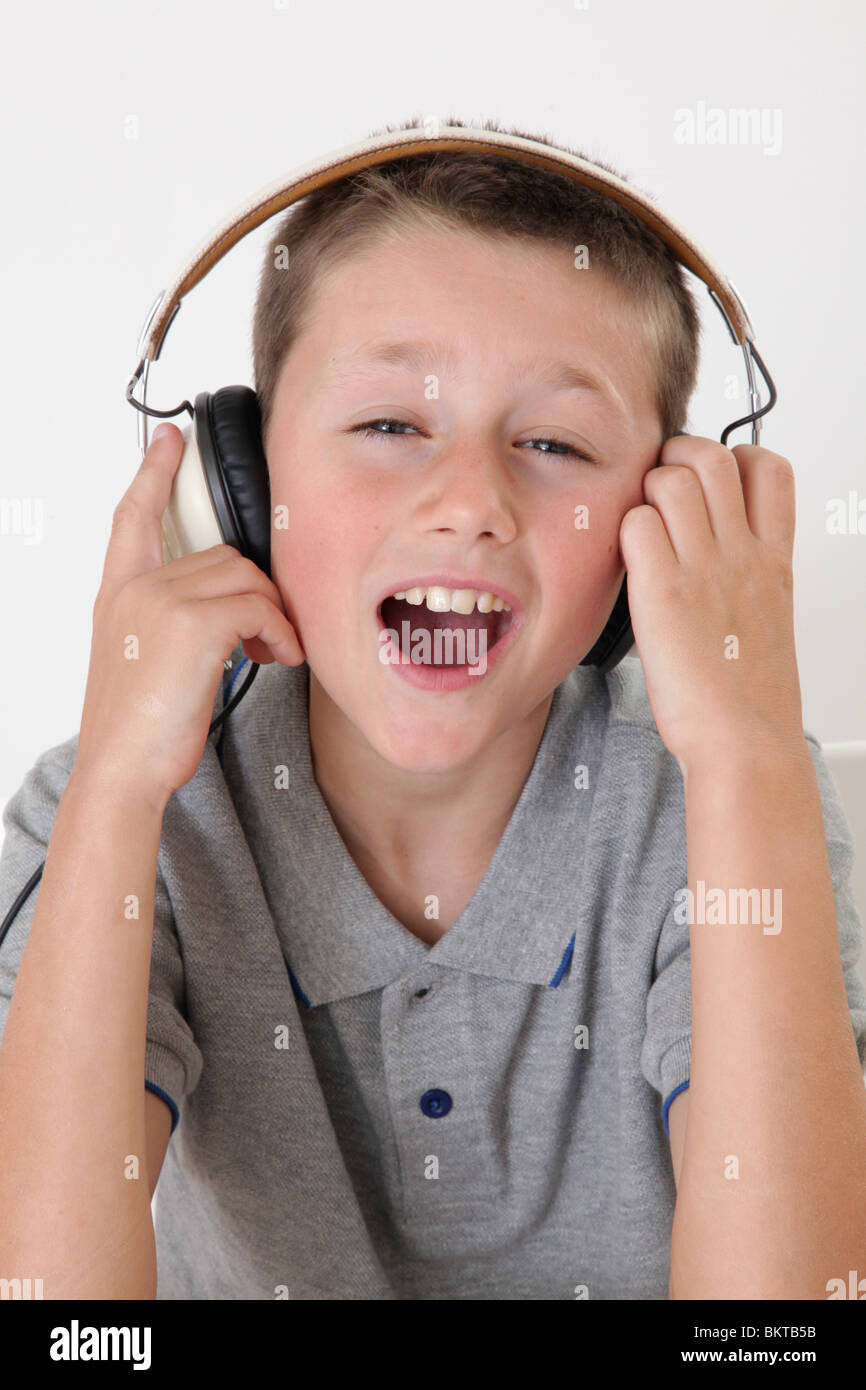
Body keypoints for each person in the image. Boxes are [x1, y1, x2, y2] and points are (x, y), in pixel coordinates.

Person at [1, 115, 865, 1300]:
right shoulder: (118, 810)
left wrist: (750, 752)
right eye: (389, 424)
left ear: (657, 528)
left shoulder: (716, 800)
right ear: (235, 489)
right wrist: (114, 785)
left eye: (554, 441)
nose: (469, 501)